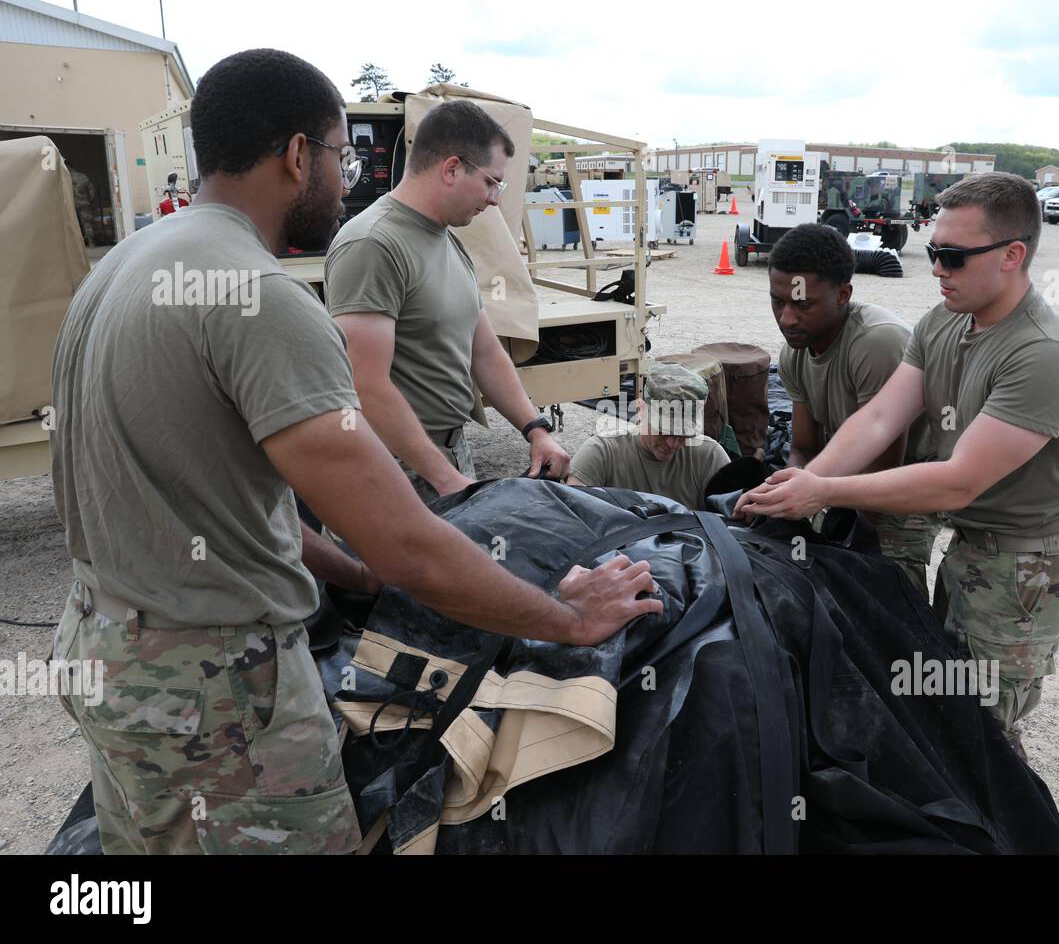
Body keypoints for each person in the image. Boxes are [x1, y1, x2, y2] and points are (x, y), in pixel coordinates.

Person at [48, 48, 661, 855]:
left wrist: (355, 573)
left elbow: (214, 501)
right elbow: (408, 543)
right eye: (342, 155)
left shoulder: (121, 270)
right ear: (299, 154)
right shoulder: (262, 299)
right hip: (216, 691)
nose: (347, 177)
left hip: (104, 659)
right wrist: (567, 618)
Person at [736, 172, 1059, 752]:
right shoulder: (944, 323)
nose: (936, 268)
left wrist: (824, 492)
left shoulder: (1046, 354)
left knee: (981, 724)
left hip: (1029, 567)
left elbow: (958, 482)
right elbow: (881, 418)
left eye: (952, 256)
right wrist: (810, 477)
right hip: (975, 547)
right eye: (934, 252)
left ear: (1012, 255)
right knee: (944, 692)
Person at [326, 100, 569, 503]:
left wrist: (535, 429)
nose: (494, 199)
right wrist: (446, 479)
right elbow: (364, 385)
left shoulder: (446, 240)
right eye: (492, 182)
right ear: (452, 168)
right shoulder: (373, 244)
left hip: (446, 453)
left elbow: (485, 351)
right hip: (393, 466)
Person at [768, 223, 940, 597]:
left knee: (884, 593)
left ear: (843, 294)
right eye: (777, 302)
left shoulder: (877, 343)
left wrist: (821, 514)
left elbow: (883, 473)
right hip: (842, 475)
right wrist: (780, 496)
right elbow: (804, 447)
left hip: (905, 484)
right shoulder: (794, 352)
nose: (786, 319)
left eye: (802, 304)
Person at [567, 364, 730, 509]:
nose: (672, 443)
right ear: (640, 408)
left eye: (683, 433)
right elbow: (569, 516)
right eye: (663, 430)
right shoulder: (602, 453)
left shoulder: (709, 457)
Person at [68, 165, 95, 245]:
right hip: (84, 203)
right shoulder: (83, 177)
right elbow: (91, 190)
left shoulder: (66, 177)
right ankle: (91, 242)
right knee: (87, 223)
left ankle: (76, 244)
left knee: (73, 224)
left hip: (72, 205)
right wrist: (90, 200)